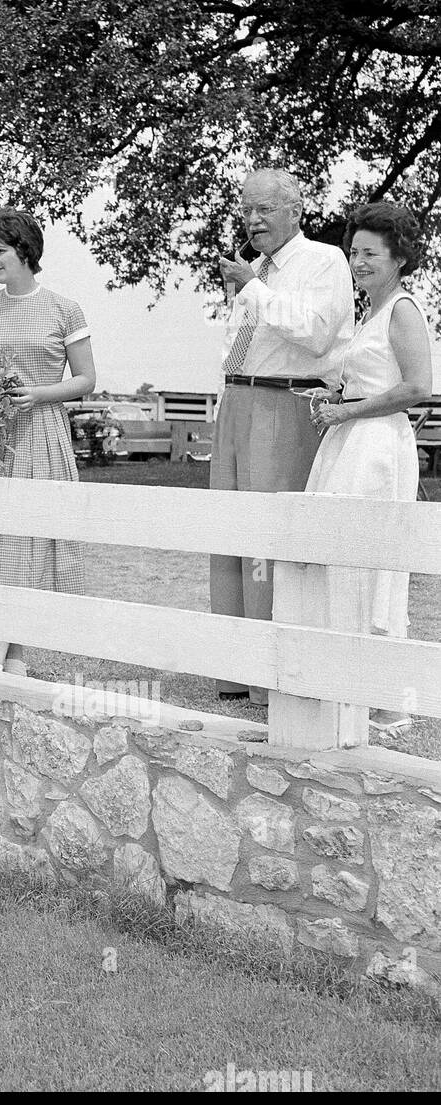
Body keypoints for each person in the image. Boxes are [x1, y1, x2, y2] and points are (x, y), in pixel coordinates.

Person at [276, 202, 432, 733]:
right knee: (334, 556)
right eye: (353, 252)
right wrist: (334, 394)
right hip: (349, 439)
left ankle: (384, 692)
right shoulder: (372, 310)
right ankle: (345, 679)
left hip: (377, 448)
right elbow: (373, 378)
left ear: (398, 256)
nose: (357, 261)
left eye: (369, 252)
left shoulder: (404, 310)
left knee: (370, 557)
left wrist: (348, 410)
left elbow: (416, 388)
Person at [211, 169, 354, 704]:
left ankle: (273, 678)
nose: (252, 219)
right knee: (225, 534)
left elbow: (316, 336)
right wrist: (250, 285)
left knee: (269, 541)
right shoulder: (255, 270)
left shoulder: (324, 261)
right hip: (237, 401)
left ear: (295, 210)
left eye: (264, 209)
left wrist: (253, 287)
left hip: (285, 404)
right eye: (246, 209)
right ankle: (232, 669)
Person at [0, 208, 96, 675]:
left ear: (25, 251)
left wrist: (36, 394)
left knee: (26, 539)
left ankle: (1, 659)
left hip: (42, 435)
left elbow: (86, 380)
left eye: (0, 251)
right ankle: (9, 659)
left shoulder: (63, 308)